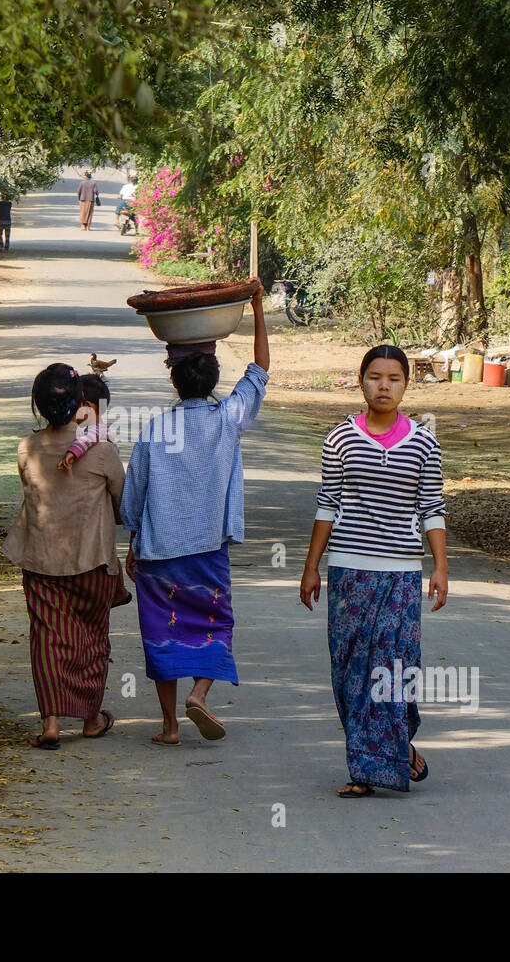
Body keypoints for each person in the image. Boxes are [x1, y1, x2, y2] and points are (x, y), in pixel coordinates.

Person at [120, 284, 270, 745]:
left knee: (161, 634)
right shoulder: (228, 418)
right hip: (207, 550)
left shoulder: (154, 428)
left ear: (174, 380)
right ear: (213, 378)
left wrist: (132, 544)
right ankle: (200, 695)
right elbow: (260, 368)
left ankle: (168, 728)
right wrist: (259, 308)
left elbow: (134, 499)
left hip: (158, 553)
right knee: (213, 623)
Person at [299, 345, 449, 798]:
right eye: (375, 377)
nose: (384, 386)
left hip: (401, 573)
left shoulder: (424, 442)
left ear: (406, 384)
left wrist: (440, 566)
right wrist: (311, 567)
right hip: (349, 572)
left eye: (394, 378)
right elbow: (328, 504)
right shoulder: (340, 439)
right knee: (349, 670)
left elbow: (432, 507)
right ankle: (382, 758)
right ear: (361, 380)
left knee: (394, 668)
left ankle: (380, 759)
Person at [2, 363, 124, 750]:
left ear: (38, 407)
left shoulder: (26, 448)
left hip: (41, 561)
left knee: (47, 639)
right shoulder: (103, 452)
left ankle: (51, 724)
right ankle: (90, 719)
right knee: (92, 639)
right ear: (80, 407)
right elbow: (125, 506)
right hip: (93, 563)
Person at [58, 372, 133, 608]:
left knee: (107, 552)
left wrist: (72, 453)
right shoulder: (95, 429)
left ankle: (119, 590)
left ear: (88, 407)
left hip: (96, 511)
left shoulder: (95, 431)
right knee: (108, 549)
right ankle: (119, 590)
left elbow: (85, 441)